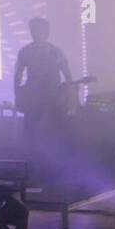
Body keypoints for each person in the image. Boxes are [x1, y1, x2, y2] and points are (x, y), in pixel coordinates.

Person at [14, 17, 72, 147]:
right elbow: (18, 74)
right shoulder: (25, 51)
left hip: (53, 98)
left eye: (39, 29)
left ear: (46, 31)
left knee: (55, 134)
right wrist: (17, 95)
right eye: (33, 29)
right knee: (30, 133)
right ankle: (31, 158)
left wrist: (68, 96)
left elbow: (67, 74)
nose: (35, 32)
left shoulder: (56, 51)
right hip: (33, 99)